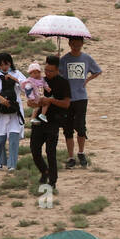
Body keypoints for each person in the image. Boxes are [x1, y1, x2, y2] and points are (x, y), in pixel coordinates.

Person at [27, 55, 71, 190]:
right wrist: (34, 102)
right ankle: (44, 171)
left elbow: (66, 104)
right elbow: (31, 101)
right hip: (39, 120)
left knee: (51, 152)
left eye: (50, 70)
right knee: (34, 150)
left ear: (57, 70)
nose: (47, 73)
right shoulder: (40, 81)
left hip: (54, 121)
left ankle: (52, 180)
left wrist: (51, 101)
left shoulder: (63, 83)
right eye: (46, 70)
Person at [59, 37, 102, 170]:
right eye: (73, 45)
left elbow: (98, 71)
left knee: (81, 127)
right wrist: (56, 62)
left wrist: (87, 80)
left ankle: (81, 152)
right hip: (67, 98)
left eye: (78, 45)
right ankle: (71, 157)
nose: (76, 47)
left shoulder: (86, 58)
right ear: (69, 44)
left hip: (81, 98)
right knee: (68, 128)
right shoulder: (64, 59)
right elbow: (57, 74)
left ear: (82, 44)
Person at [0, 53, 26, 171]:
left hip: (15, 111)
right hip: (1, 111)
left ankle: (12, 164)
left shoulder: (17, 74)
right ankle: (0, 161)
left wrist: (14, 79)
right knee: (1, 138)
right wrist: (1, 99)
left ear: (10, 63)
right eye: (2, 64)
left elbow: (26, 86)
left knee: (14, 138)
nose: (4, 66)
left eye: (7, 63)